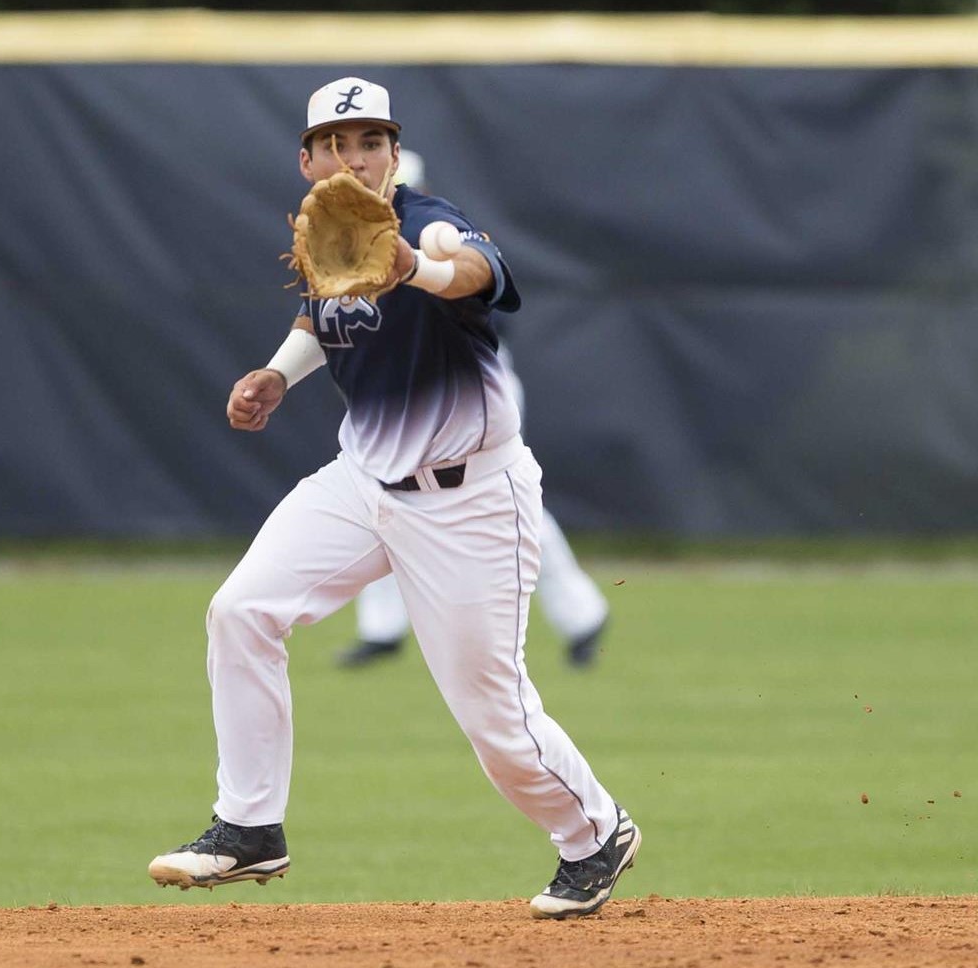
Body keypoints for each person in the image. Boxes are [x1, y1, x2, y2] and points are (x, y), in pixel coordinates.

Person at [146, 77, 640, 920]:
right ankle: (250, 827)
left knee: (495, 719)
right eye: (335, 144)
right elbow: (320, 314)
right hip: (361, 478)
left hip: (468, 498)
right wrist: (276, 375)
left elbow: (474, 271)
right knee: (241, 612)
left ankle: (594, 832)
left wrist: (418, 266)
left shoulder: (423, 220)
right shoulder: (325, 232)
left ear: (392, 151)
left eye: (370, 141)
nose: (354, 157)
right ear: (306, 160)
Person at [339, 153, 611, 671]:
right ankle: (382, 629)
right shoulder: (358, 244)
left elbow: (468, 285)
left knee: (499, 499)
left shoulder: (437, 231)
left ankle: (581, 612)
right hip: (407, 386)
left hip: (470, 385)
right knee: (383, 489)